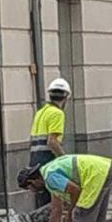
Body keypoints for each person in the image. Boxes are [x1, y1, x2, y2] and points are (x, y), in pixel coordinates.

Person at [28, 78, 71, 209]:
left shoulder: (41, 112)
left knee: (44, 200)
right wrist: (65, 159)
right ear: (66, 97)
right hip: (48, 162)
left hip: (35, 162)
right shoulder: (57, 113)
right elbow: (52, 142)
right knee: (55, 199)